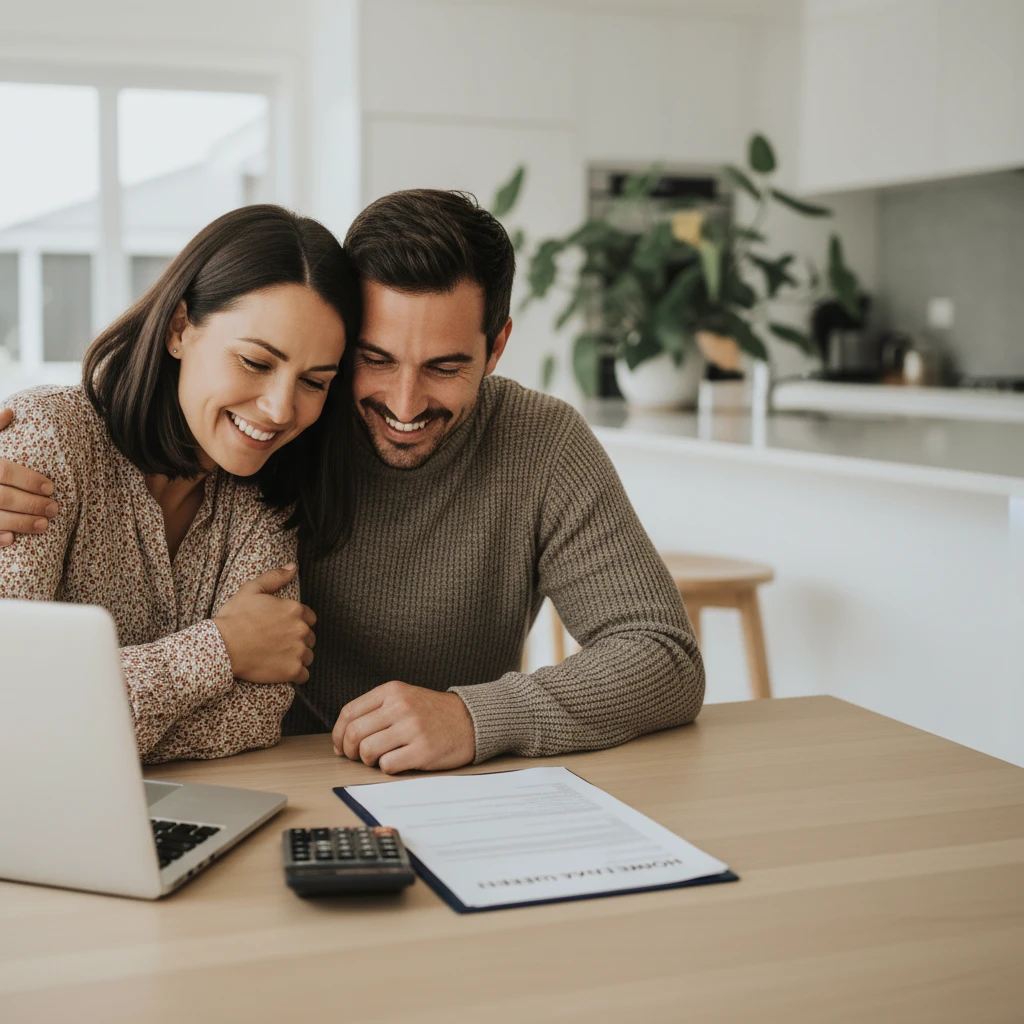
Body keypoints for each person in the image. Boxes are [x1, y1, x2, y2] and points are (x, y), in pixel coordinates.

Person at [0, 189, 704, 775]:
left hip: (444, 788)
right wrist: (213, 655)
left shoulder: (534, 444)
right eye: (375, 359)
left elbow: (662, 654)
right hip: (256, 783)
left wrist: (476, 716)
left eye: (445, 367)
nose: (403, 404)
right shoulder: (280, 441)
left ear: (496, 348)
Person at [0, 204, 360, 763]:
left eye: (314, 382)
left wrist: (75, 726)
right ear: (178, 330)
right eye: (256, 362)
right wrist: (222, 648)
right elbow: (13, 712)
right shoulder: (46, 445)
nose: (280, 409)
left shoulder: (265, 500)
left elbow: (256, 717)